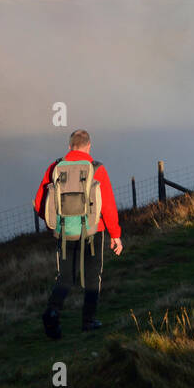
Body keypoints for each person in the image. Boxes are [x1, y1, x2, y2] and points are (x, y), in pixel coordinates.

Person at [33, 129, 123, 339]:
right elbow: (108, 205)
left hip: (65, 232)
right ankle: (88, 321)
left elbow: (40, 203)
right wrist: (115, 235)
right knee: (92, 277)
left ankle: (53, 312)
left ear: (69, 146)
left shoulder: (55, 167)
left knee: (65, 278)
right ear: (89, 146)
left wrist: (55, 225)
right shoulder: (96, 168)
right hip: (93, 231)